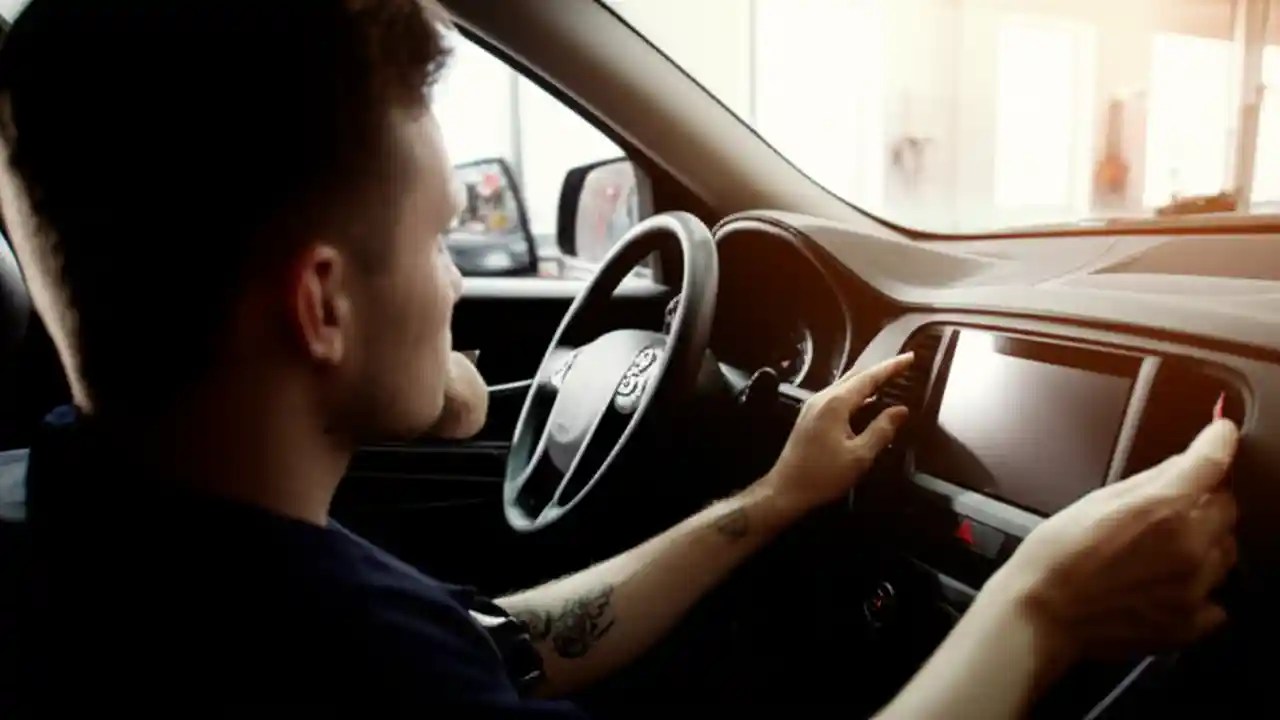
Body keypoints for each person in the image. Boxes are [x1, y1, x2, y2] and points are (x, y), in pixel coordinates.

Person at [0, 0, 1239, 716]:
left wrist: (767, 502)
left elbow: (500, 634)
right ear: (319, 307)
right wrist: (1043, 606)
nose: (455, 280)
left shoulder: (117, 526)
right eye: (442, 239)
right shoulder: (331, 672)